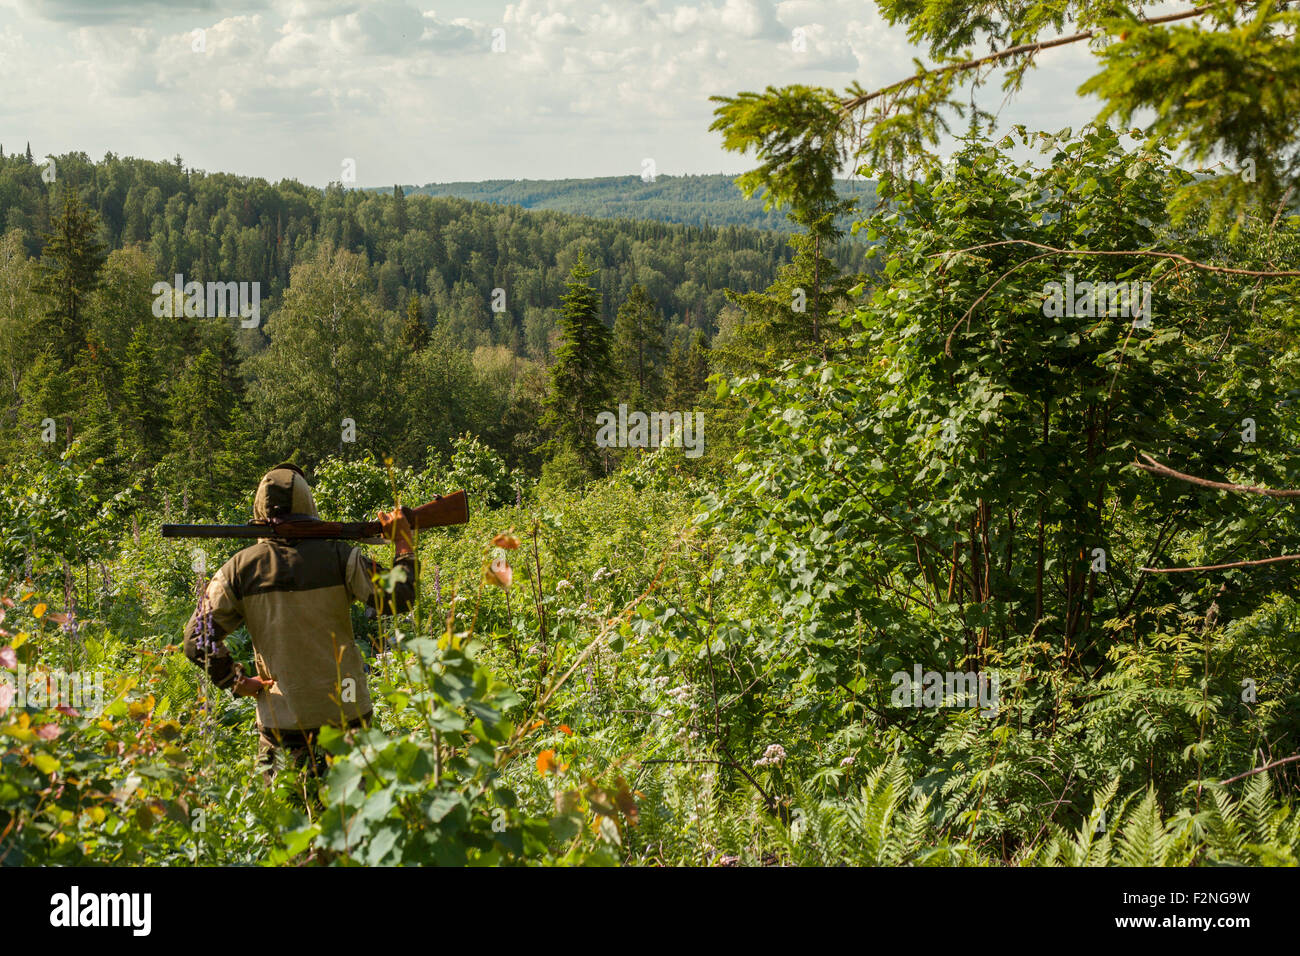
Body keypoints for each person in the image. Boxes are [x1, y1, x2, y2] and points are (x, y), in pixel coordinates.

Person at [182, 462, 416, 802]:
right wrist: (405, 546)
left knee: (293, 839)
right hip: (348, 722)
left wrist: (237, 682)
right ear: (309, 506)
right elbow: (399, 599)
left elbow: (195, 641)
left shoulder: (239, 568)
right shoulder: (342, 557)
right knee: (360, 837)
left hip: (282, 728)